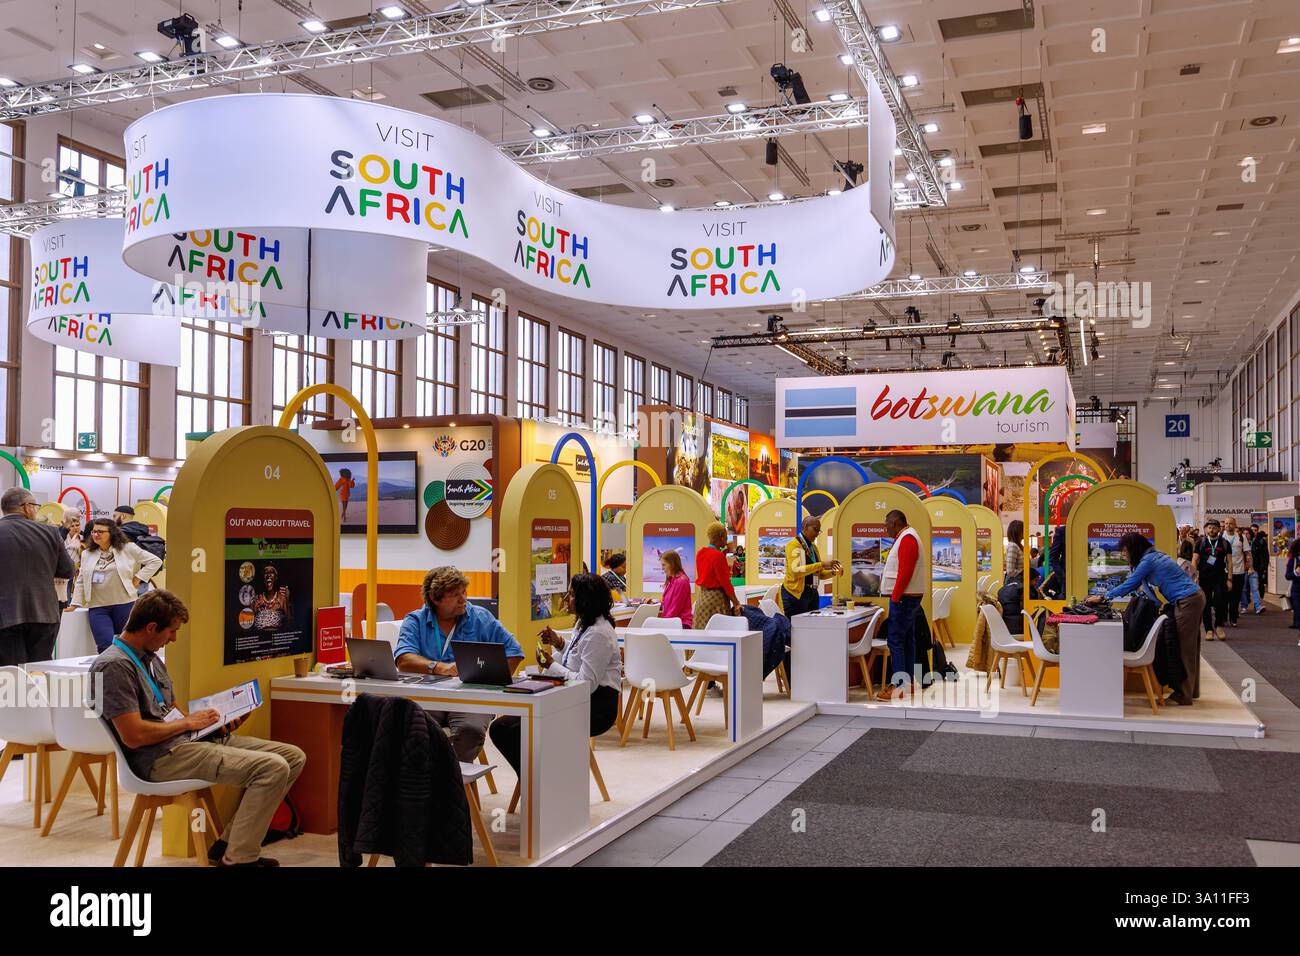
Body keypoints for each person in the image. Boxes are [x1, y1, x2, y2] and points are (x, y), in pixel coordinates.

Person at [92, 589, 305, 866]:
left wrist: (214, 725)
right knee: (272, 768)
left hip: (185, 743)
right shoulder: (113, 667)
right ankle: (239, 858)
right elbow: (134, 736)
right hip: (159, 759)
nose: (174, 639)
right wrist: (188, 723)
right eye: (172, 631)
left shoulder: (151, 660)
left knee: (293, 757)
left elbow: (173, 714)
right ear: (151, 627)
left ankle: (229, 844)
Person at [489, 573, 621, 777]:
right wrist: (560, 644)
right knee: (502, 727)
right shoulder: (584, 624)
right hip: (574, 700)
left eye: (571, 594)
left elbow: (586, 683)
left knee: (506, 730)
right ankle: (535, 777)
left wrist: (552, 665)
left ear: (584, 599)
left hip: (595, 707)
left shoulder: (598, 633)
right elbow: (578, 658)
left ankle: (537, 778)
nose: (566, 599)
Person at [393, 566, 523, 761]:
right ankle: (427, 780)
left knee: (469, 731)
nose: (463, 599)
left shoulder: (480, 617)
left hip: (470, 699)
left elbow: (515, 652)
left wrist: (495, 683)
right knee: (411, 727)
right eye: (455, 595)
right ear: (435, 598)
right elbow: (403, 659)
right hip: (429, 697)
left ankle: (450, 781)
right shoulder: (415, 620)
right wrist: (439, 667)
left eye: (464, 592)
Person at [1087, 532, 1204, 705]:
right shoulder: (1154, 556)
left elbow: (1131, 583)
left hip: (1187, 601)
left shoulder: (1148, 561)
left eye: (1126, 551)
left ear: (1134, 548)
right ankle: (1190, 691)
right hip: (1191, 598)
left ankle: (1184, 695)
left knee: (1184, 648)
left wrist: (1104, 597)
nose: (1124, 554)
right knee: (1188, 646)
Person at [0, 487, 76, 666]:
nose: (36, 510)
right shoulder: (49, 532)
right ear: (26, 507)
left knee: (10, 674)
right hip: (44, 613)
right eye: (35, 506)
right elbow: (67, 570)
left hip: (5, 616)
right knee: (39, 670)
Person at [66, 517, 162, 653]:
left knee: (128, 646)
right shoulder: (87, 553)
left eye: (100, 532)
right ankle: (109, 673)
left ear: (111, 533)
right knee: (105, 646)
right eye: (93, 532)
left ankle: (129, 672)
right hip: (97, 607)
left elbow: (155, 561)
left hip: (124, 604)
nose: (95, 535)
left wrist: (139, 578)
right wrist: (75, 603)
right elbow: (81, 579)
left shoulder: (128, 548)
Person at [878, 509, 923, 700]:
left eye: (886, 524)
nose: (885, 528)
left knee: (895, 641)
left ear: (895, 522)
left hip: (904, 598)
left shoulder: (907, 538)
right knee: (906, 640)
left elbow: (905, 572)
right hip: (907, 597)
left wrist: (895, 597)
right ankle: (908, 683)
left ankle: (898, 687)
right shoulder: (908, 537)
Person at [780, 514, 842, 620]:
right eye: (815, 529)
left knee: (811, 629)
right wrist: (822, 564)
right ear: (805, 527)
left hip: (812, 594)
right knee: (796, 632)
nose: (817, 533)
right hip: (795, 595)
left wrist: (833, 572)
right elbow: (796, 571)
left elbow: (819, 574)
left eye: (819, 531)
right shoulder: (794, 545)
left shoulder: (813, 547)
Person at [693, 521, 740, 628]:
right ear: (721, 537)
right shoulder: (718, 556)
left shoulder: (701, 553)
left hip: (703, 599)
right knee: (717, 635)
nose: (727, 539)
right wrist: (736, 603)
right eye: (726, 536)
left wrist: (724, 551)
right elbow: (725, 583)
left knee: (702, 631)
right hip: (716, 600)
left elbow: (709, 565)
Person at [1192, 518, 1232, 640]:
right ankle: (1209, 629)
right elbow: (1195, 560)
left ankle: (1219, 625)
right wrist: (1194, 576)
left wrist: (1230, 579)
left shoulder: (1225, 543)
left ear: (1219, 529)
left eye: (1214, 527)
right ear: (1206, 529)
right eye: (1209, 527)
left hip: (1220, 576)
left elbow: (1230, 562)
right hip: (1204, 577)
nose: (1212, 529)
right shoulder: (1200, 542)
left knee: (1220, 601)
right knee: (1206, 603)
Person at [998, 566, 1042, 636]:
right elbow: (1030, 609)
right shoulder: (1026, 590)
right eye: (1035, 580)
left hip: (1005, 626)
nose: (1036, 583)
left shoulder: (1005, 586)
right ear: (1029, 579)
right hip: (1019, 629)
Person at [252, 563, 292, 632]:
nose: (269, 575)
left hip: (277, 640)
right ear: (263, 578)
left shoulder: (282, 599)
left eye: (272, 572)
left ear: (276, 577)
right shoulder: (256, 600)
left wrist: (288, 600)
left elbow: (290, 623)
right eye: (266, 572)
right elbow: (248, 624)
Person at [1222, 517, 1247, 627]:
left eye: (1231, 523)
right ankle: (1222, 617)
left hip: (1239, 571)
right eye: (1226, 523)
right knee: (1223, 596)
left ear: (1235, 524)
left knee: (1235, 597)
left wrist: (1249, 567)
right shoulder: (1220, 537)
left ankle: (1233, 618)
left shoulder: (1242, 537)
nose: (1228, 525)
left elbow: (1247, 553)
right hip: (1223, 571)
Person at [658, 550, 693, 627]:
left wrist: (662, 623)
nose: (662, 568)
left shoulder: (681, 581)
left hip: (680, 624)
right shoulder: (671, 580)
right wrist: (654, 604)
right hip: (672, 621)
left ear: (672, 564)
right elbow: (667, 604)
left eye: (664, 565)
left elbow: (675, 609)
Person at [1248, 526, 1269, 615]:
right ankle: (1244, 604)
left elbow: (1265, 555)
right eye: (1252, 530)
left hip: (1256, 568)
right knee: (1244, 589)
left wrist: (1263, 567)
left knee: (1256, 587)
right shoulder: (1244, 541)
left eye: (1255, 530)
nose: (1254, 532)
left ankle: (1257, 605)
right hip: (1244, 568)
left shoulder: (1261, 541)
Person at [1285, 539, 1300, 630]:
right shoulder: (1293, 560)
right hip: (1297, 589)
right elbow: (1287, 575)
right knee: (1298, 609)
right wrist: (1296, 572)